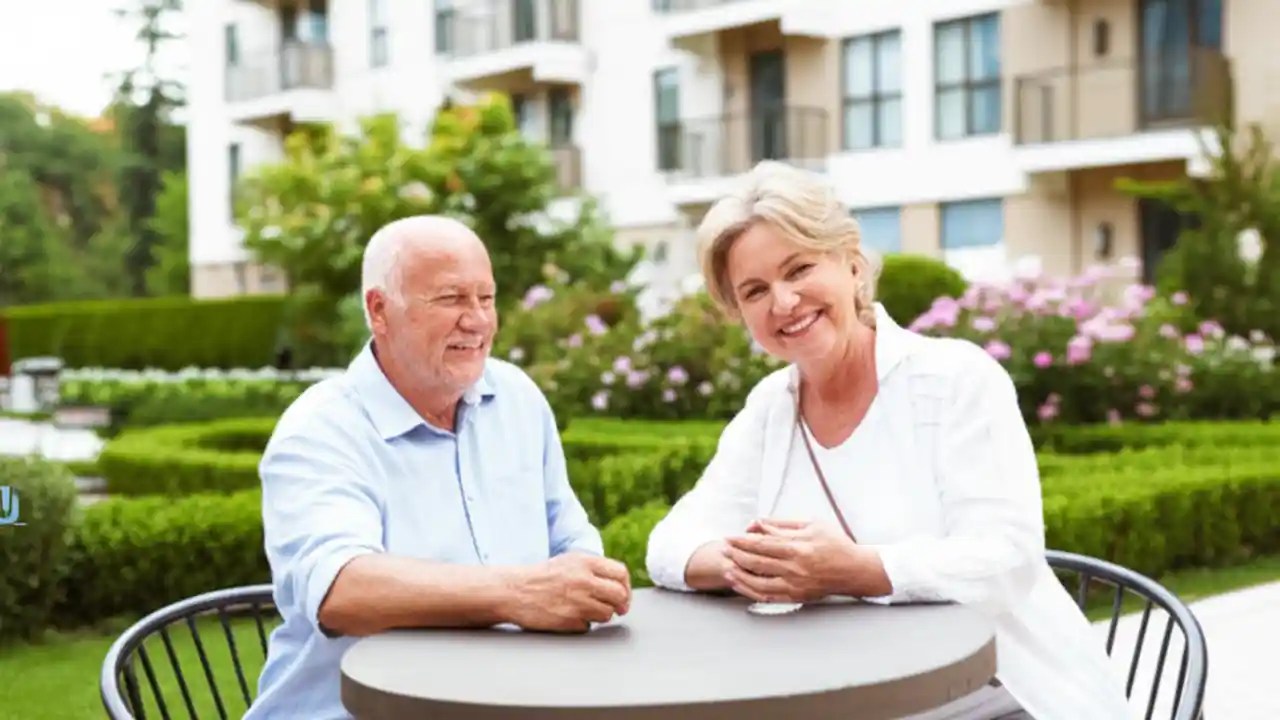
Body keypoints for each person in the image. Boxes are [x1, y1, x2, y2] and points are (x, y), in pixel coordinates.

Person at [644, 162, 1135, 720]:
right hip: (858, 694)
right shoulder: (769, 410)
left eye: (799, 268)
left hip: (1003, 691)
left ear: (851, 264)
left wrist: (850, 568)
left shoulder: (955, 379)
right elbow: (668, 546)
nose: (783, 303)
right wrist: (761, 564)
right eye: (755, 291)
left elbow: (1005, 562)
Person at [246, 215, 632, 720]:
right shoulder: (321, 430)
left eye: (486, 299)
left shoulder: (516, 398)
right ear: (379, 311)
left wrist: (584, 583)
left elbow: (571, 542)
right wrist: (519, 594)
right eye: (451, 299)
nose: (476, 320)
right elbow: (341, 590)